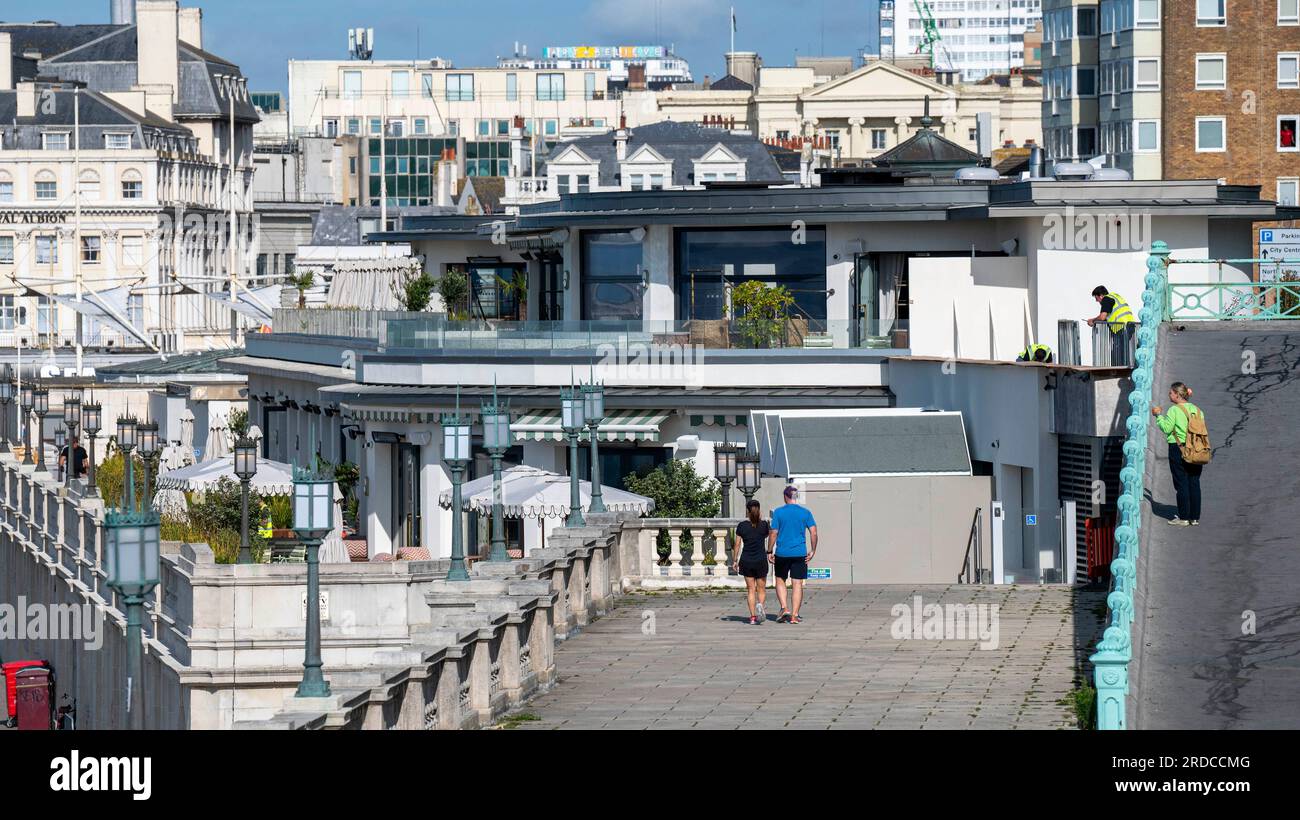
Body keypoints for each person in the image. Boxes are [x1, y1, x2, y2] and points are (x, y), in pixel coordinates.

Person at [1152, 382, 1205, 526]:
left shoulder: (1174, 410)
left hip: (1178, 447)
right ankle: (1194, 518)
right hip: (1196, 448)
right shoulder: (1197, 410)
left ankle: (1184, 517)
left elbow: (1166, 428)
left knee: (1181, 482)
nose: (1169, 395)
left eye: (1171, 393)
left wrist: (1158, 416)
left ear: (1177, 394)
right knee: (1194, 482)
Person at [767, 484, 817, 624]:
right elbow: (813, 532)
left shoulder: (778, 512)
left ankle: (784, 607)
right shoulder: (805, 512)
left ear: (785, 497)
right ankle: (794, 615)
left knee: (780, 579)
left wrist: (769, 550)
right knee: (797, 584)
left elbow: (773, 533)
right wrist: (813, 550)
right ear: (796, 497)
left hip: (782, 552)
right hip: (800, 553)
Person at [732, 499, 771, 625]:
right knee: (761, 589)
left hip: (746, 560)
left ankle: (753, 617)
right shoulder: (764, 525)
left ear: (747, 511)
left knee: (750, 590)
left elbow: (737, 544)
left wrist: (734, 560)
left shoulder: (742, 526)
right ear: (759, 510)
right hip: (760, 560)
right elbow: (768, 536)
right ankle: (760, 605)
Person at [1086, 285, 1136, 366]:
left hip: (1121, 327)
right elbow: (1110, 315)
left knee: (1119, 351)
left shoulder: (1106, 299)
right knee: (1124, 350)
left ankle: (1121, 369)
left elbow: (1102, 317)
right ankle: (1125, 366)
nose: (1096, 301)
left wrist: (1093, 320)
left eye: (1096, 298)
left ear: (1101, 296)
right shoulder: (1115, 296)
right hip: (1130, 326)